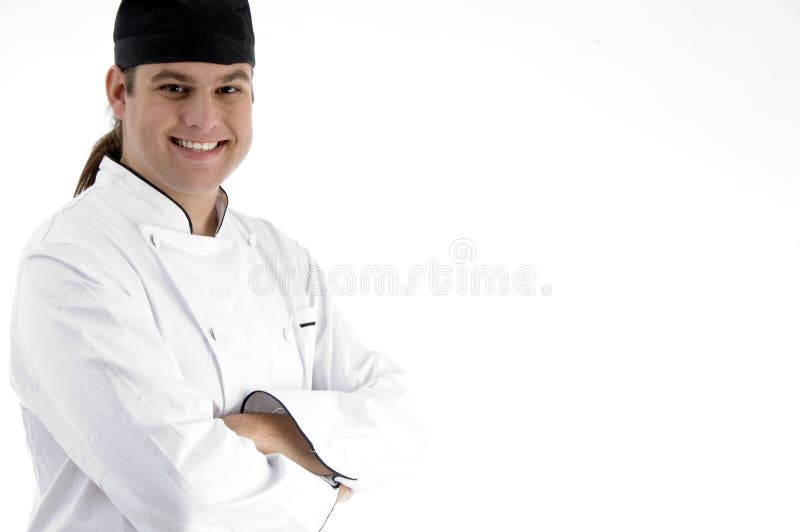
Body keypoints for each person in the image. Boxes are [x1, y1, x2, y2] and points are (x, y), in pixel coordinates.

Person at [8, 1, 423, 531]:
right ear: (119, 92)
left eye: (229, 88)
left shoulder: (279, 255)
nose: (203, 119)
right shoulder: (70, 260)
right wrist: (331, 471)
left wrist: (270, 432)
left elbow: (404, 427)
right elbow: (187, 500)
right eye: (174, 87)